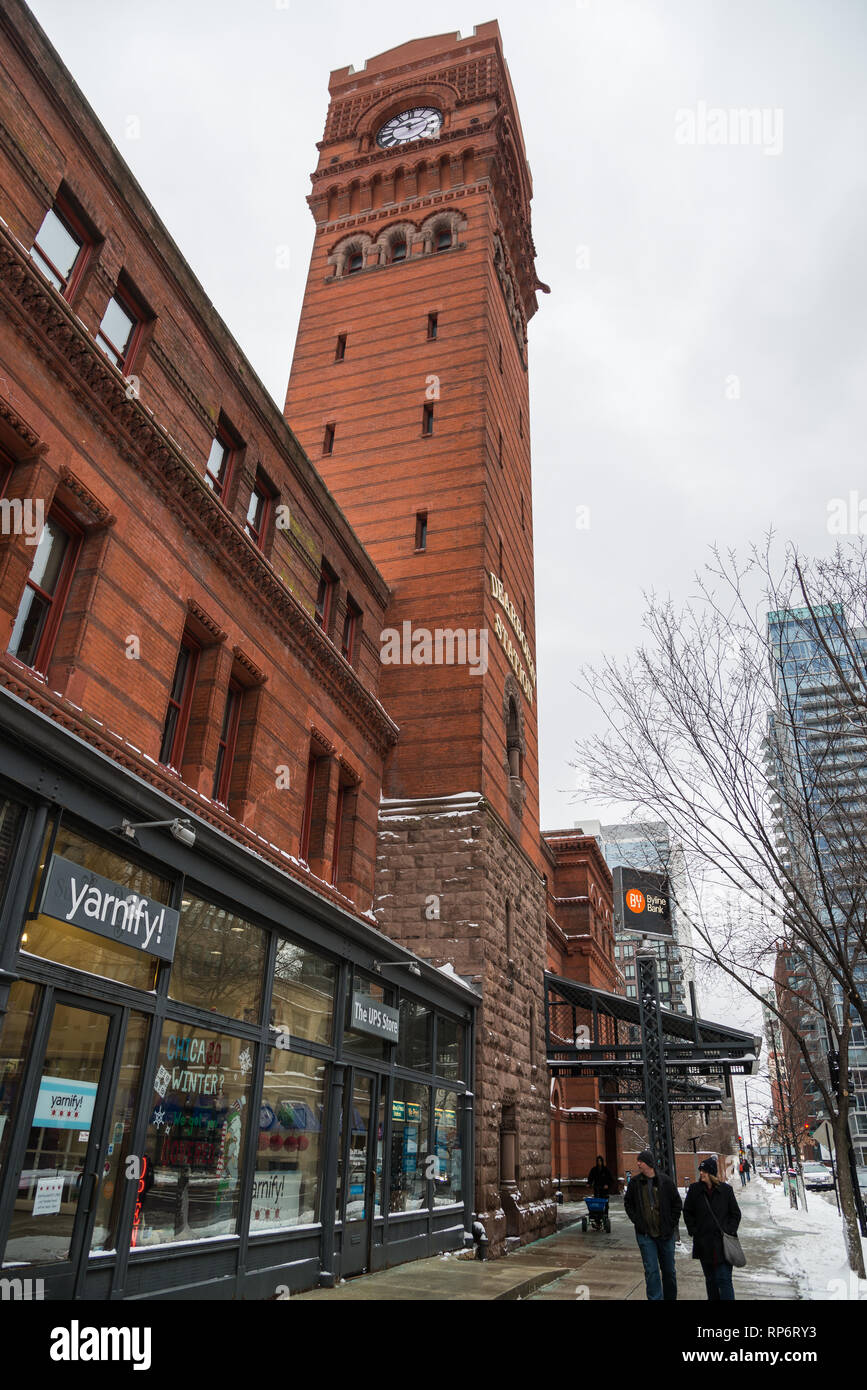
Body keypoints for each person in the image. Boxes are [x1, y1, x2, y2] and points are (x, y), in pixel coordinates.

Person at [624, 1149, 683, 1301]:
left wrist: (671, 1223)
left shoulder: (665, 1181)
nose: (638, 1163)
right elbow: (628, 1203)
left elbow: (677, 1204)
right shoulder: (635, 1183)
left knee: (669, 1271)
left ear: (648, 1163)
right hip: (645, 1235)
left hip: (665, 1234)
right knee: (651, 1271)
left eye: (641, 1161)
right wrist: (637, 1220)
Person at [683, 1156, 742, 1301]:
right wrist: (694, 1230)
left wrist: (729, 1230)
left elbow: (735, 1213)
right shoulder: (695, 1190)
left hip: (723, 1244)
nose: (701, 1173)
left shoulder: (726, 1191)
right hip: (704, 1244)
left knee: (724, 1279)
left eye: (704, 1171)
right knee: (710, 1280)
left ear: (711, 1173)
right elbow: (687, 1211)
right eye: (700, 1170)